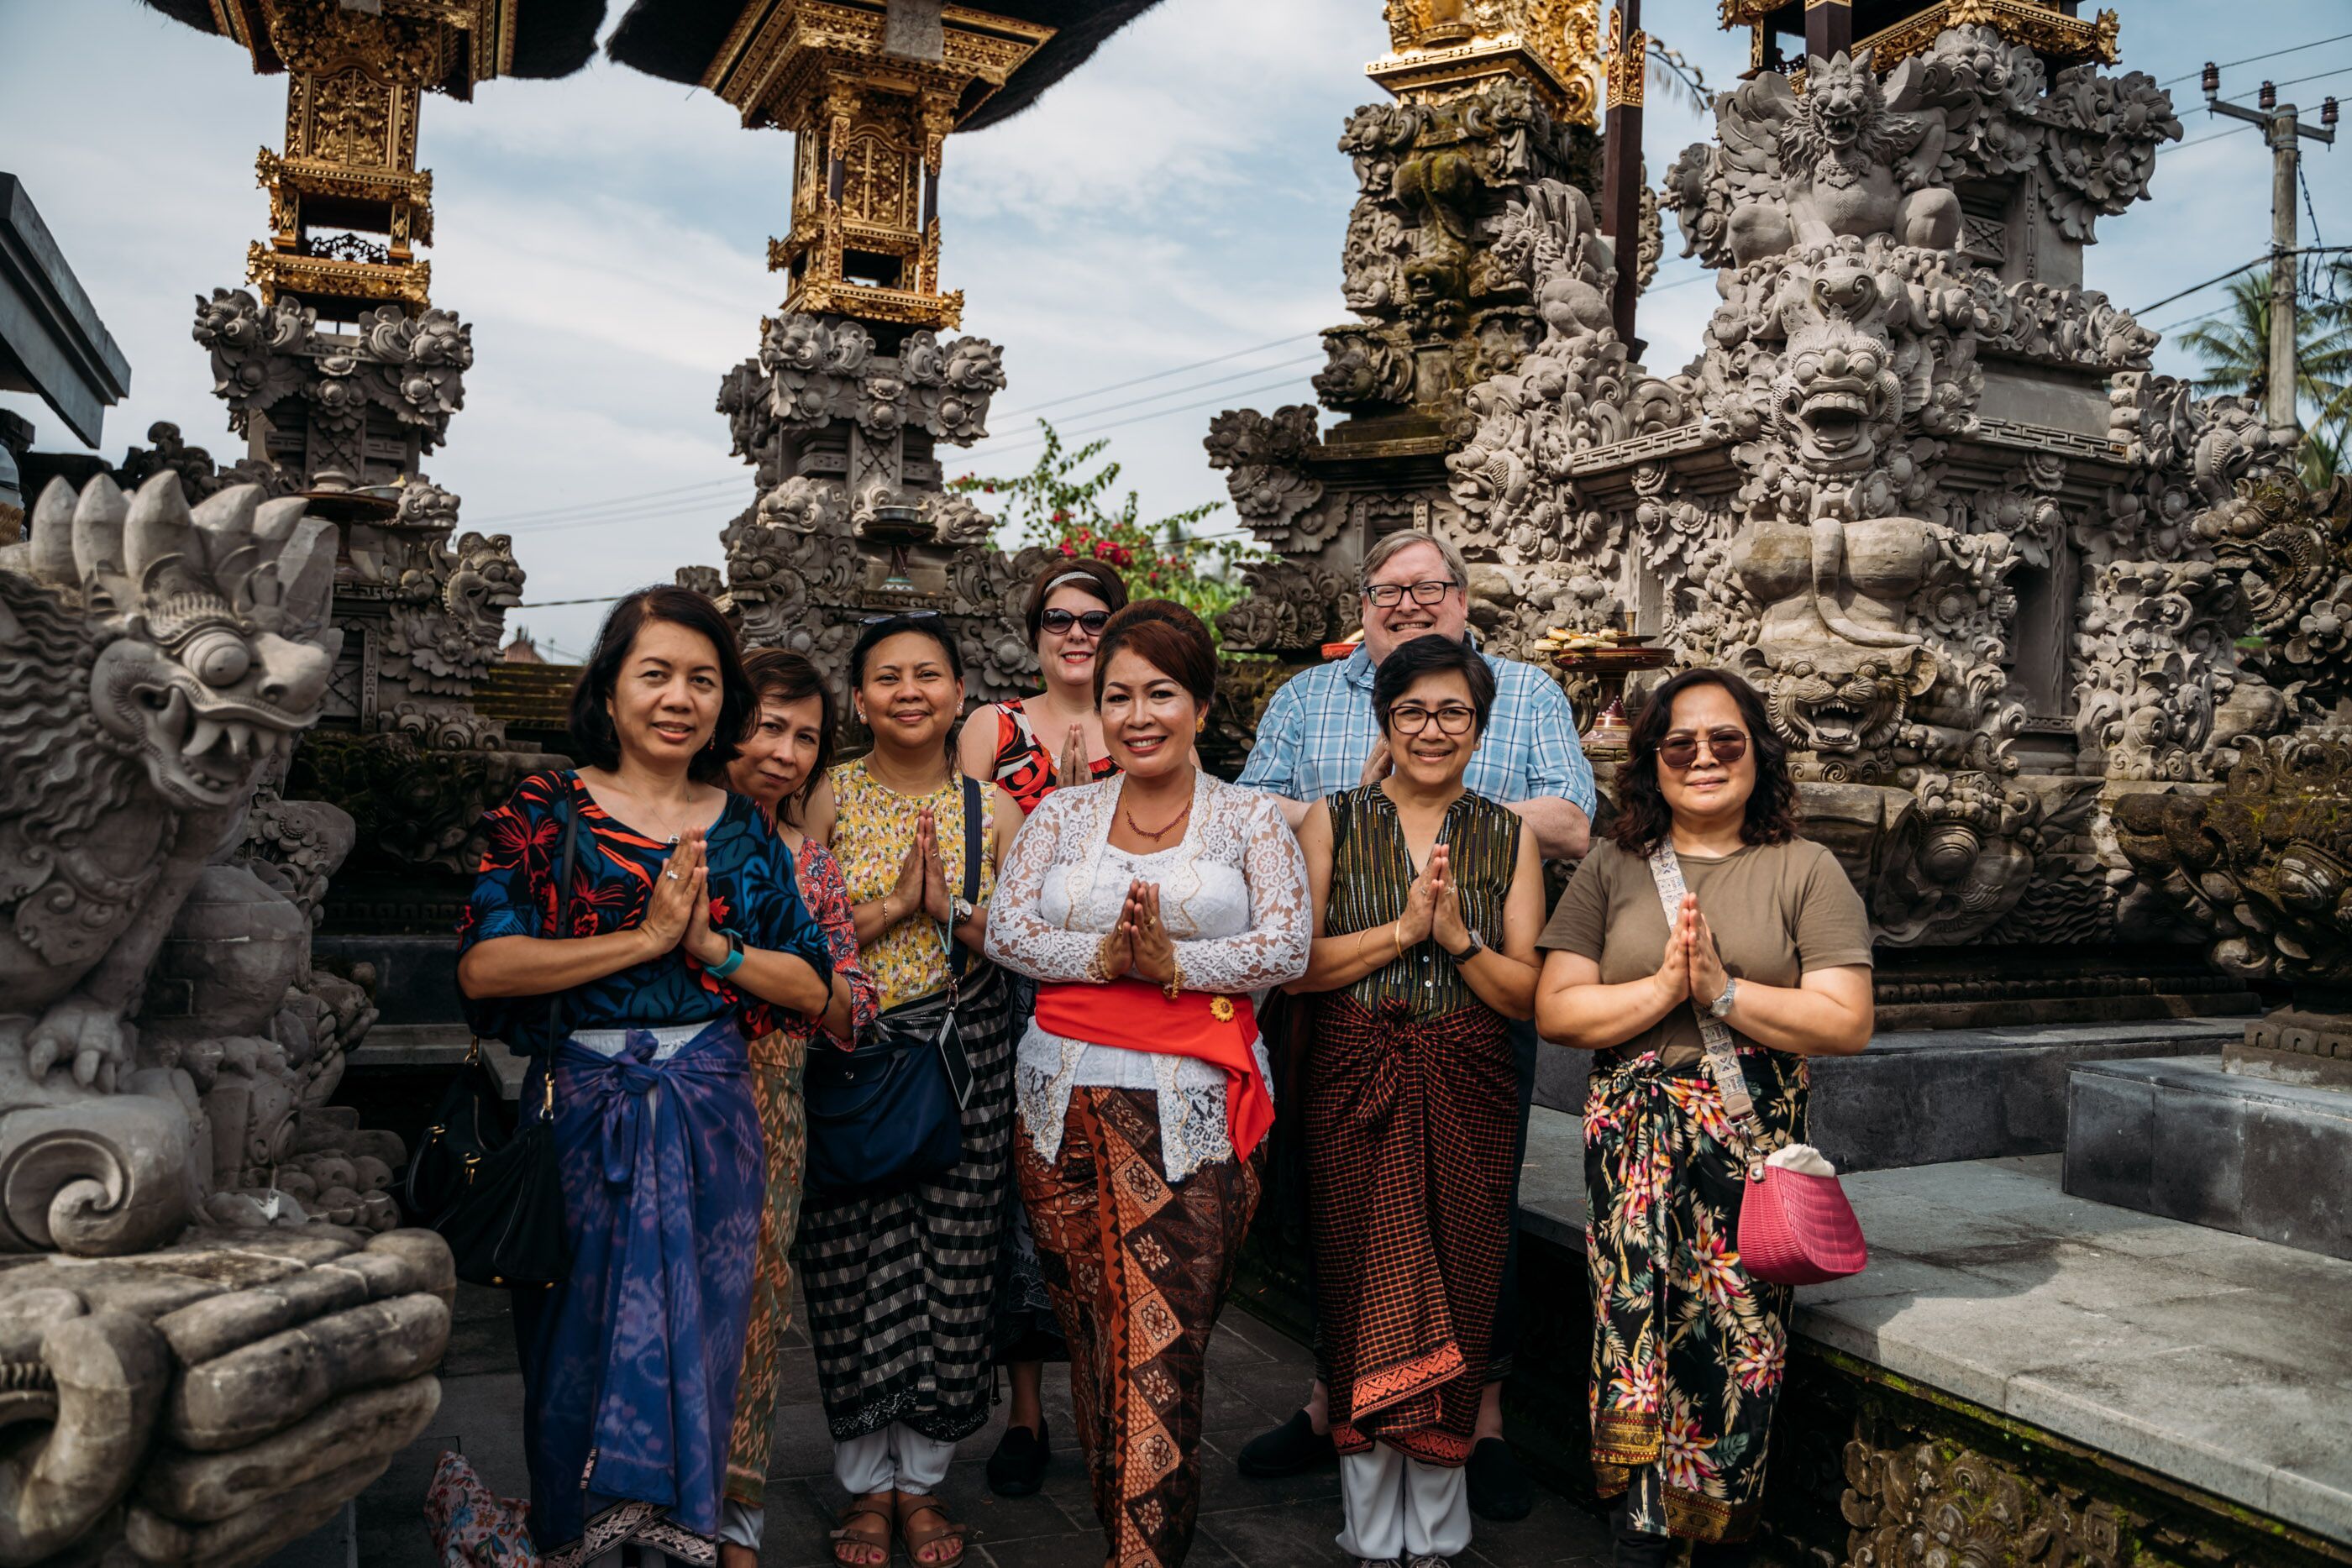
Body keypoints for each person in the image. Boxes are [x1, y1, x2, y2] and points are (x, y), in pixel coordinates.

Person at [456, 585, 838, 1567]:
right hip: (583, 1113)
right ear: (611, 688)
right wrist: (644, 940)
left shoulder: (746, 830)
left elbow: (807, 983)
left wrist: (709, 948)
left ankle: (676, 1544)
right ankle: (572, 1541)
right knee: (572, 1346)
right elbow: (486, 967)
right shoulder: (546, 811)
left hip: (714, 1113)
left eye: (703, 679)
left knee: (703, 1338)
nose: (680, 697)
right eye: (656, 673)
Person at [1236, 529, 1595, 1519]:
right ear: (1361, 605)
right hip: (1344, 1023)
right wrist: (1360, 810)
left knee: (1477, 1220)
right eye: (1386, 589)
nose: (1406, 601)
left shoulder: (1522, 691)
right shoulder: (1308, 698)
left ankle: (1476, 1427)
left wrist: (1452, 808)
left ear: (1463, 598)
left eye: (1427, 586)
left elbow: (1572, 814)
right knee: (1333, 1216)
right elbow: (1253, 817)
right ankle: (1334, 1404)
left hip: (1475, 1021)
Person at [984, 600, 1310, 1568]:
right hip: (1058, 1113)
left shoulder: (1249, 817)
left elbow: (1286, 943)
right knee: (1094, 1342)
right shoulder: (1060, 814)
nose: (1137, 714)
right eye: (1118, 694)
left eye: (1159, 693)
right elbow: (1008, 929)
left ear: (1201, 706)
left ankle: (1143, 1554)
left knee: (1160, 1353)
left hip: (1190, 1114)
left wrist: (1172, 964)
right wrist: (1103, 954)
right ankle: (1124, 1537)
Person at [1533, 669, 1872, 1566]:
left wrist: (1721, 989)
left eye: (1726, 740)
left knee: (1737, 1351)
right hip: (1632, 1161)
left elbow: (1844, 1019)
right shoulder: (1611, 866)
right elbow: (1559, 1011)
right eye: (1679, 744)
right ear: (1651, 762)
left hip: (1743, 1158)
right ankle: (1637, 1536)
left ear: (1759, 752)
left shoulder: (1804, 868)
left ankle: (1717, 1532)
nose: (1704, 759)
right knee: (1631, 1336)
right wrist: (1661, 987)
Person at [1284, 634, 1546, 1568]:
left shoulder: (1505, 835)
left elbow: (1527, 996)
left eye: (1453, 714)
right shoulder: (1332, 819)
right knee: (1357, 1287)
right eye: (1412, 713)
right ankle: (1368, 1527)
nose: (1432, 731)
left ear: (1479, 727)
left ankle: (1434, 1536)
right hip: (1354, 1081)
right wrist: (1400, 932)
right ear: (1383, 721)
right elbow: (1300, 967)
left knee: (1465, 1285)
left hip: (1469, 1084)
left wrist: (1460, 941)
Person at [797, 614, 1013, 1568]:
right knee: (848, 1272)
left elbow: (1024, 946)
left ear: (960, 694)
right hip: (850, 1058)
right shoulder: (824, 796)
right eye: (887, 677)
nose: (909, 691)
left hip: (964, 1063)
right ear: (858, 699)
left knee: (953, 1278)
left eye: (929, 675)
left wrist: (951, 911)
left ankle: (921, 1488)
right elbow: (798, 936)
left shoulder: (995, 809)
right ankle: (864, 1490)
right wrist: (889, 909)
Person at [955, 557, 1126, 1497]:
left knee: (1103, 1194)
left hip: (1114, 983)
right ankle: (1025, 1413)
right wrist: (1052, 815)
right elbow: (963, 846)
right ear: (1034, 630)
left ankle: (1107, 1399)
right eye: (1057, 617)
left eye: (1093, 617)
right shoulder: (994, 726)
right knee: (1019, 1195)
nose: (1075, 633)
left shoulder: (1140, 716)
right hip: (1004, 977)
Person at [719, 649, 882, 1568]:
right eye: (768, 725)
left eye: (806, 738)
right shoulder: (660, 835)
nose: (784, 753)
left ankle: (737, 1528)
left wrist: (756, 967)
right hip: (649, 1103)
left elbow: (851, 1002)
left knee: (754, 1310)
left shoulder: (807, 866)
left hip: (768, 1107)